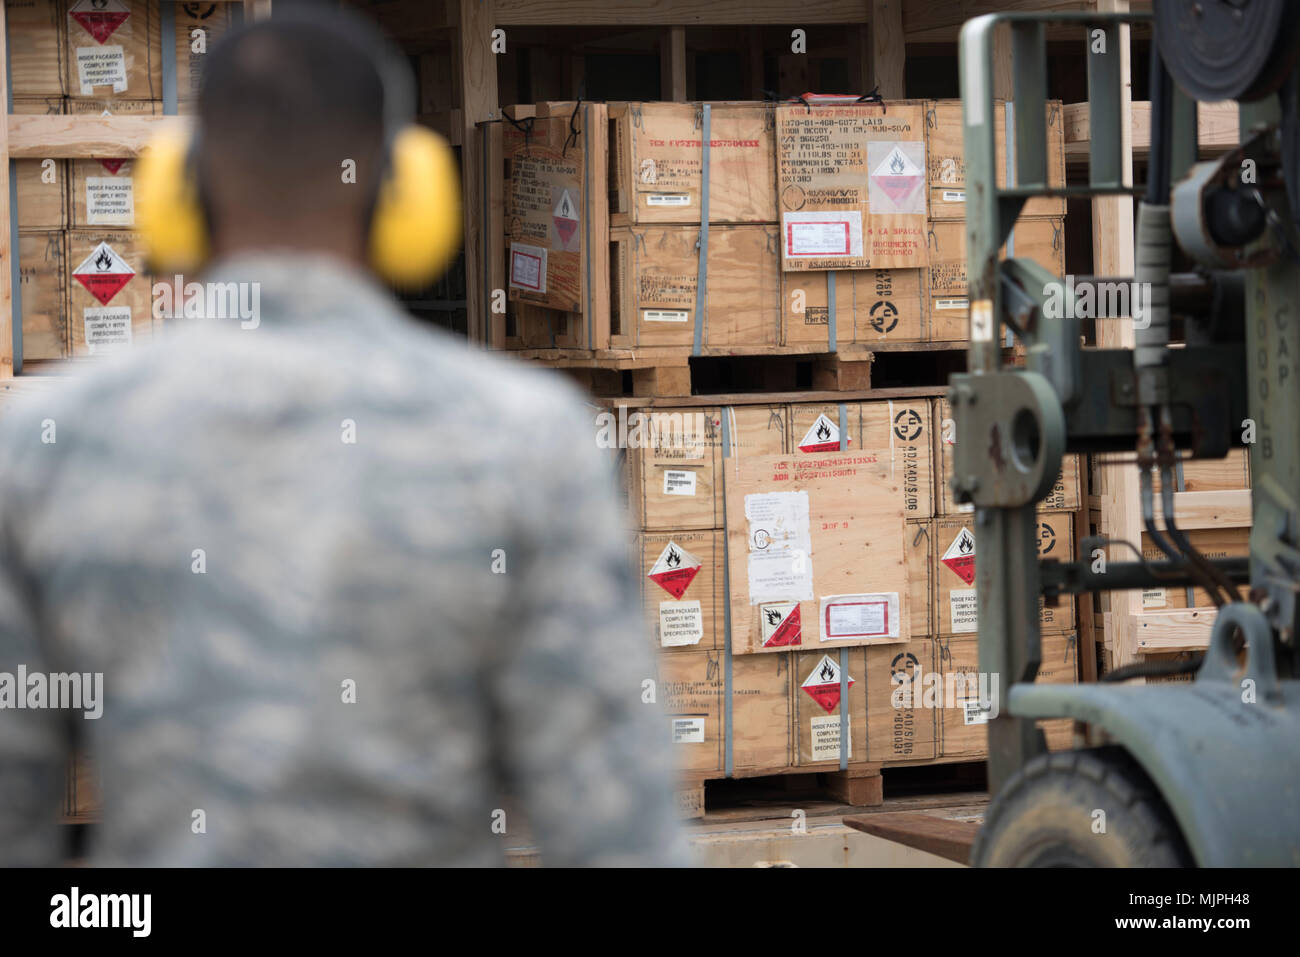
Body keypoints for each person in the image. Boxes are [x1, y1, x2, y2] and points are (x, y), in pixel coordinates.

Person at [0, 9, 685, 867]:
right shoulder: (525, 437)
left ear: (178, 192)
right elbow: (617, 827)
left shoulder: (44, 444)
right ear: (406, 194)